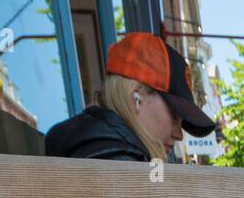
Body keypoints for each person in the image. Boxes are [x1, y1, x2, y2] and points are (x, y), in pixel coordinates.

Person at [45, 33, 217, 161]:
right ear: (136, 96)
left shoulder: (107, 150)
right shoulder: (117, 161)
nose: (179, 134)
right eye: (174, 116)